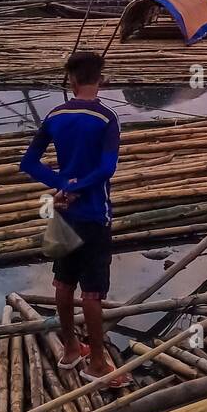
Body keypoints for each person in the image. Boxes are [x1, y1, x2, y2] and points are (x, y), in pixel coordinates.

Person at [19, 49, 125, 386]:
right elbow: (107, 169)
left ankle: (69, 350)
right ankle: (96, 363)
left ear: (72, 79)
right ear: (101, 80)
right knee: (92, 292)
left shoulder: (55, 115)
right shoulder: (107, 118)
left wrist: (62, 185)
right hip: (94, 214)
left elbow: (30, 163)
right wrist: (79, 186)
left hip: (65, 212)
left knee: (63, 283)